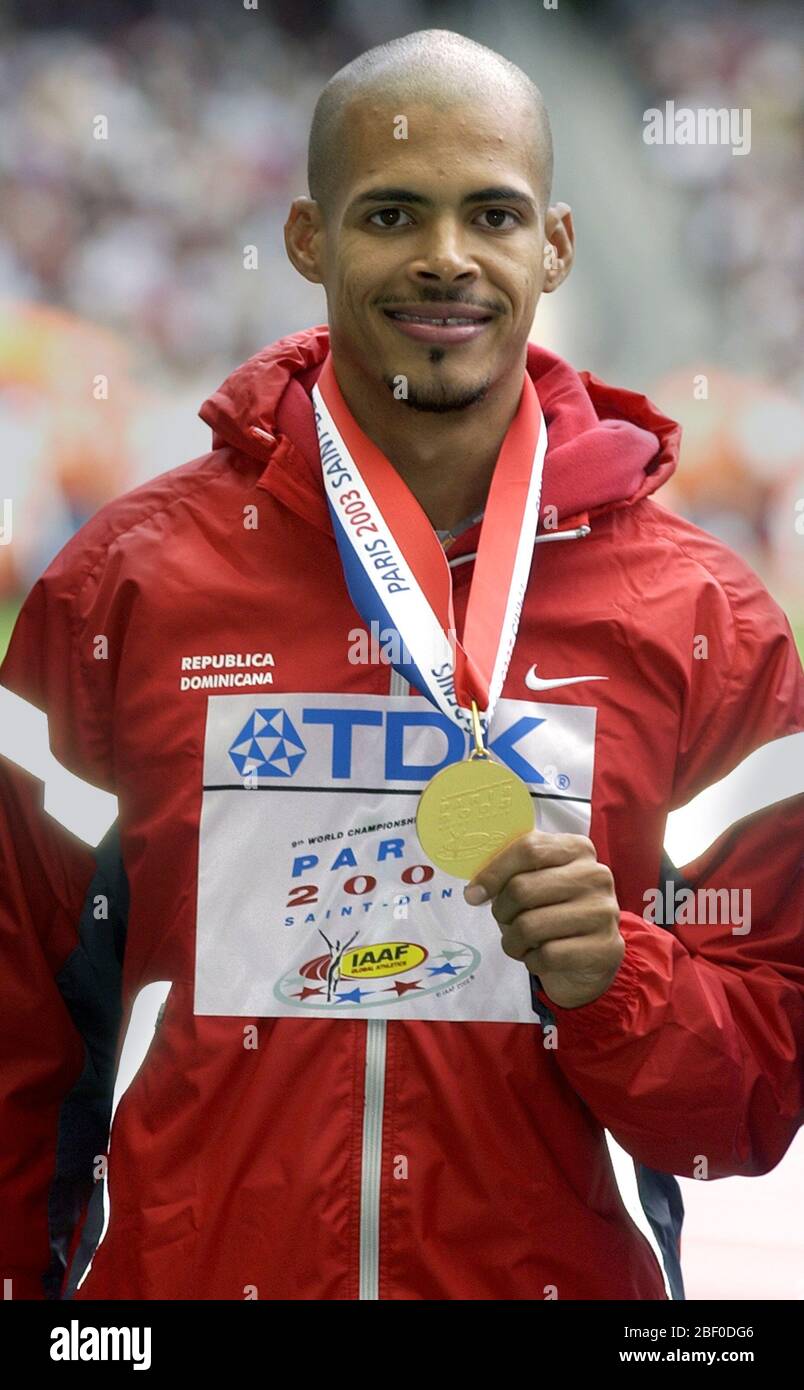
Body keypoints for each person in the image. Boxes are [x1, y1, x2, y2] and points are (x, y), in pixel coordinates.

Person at [1, 29, 802, 1303]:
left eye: (492, 212)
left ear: (556, 245)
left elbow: (748, 1110)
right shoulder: (128, 586)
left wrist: (620, 983)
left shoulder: (708, 623)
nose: (445, 257)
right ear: (311, 241)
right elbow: (20, 1013)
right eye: (392, 213)